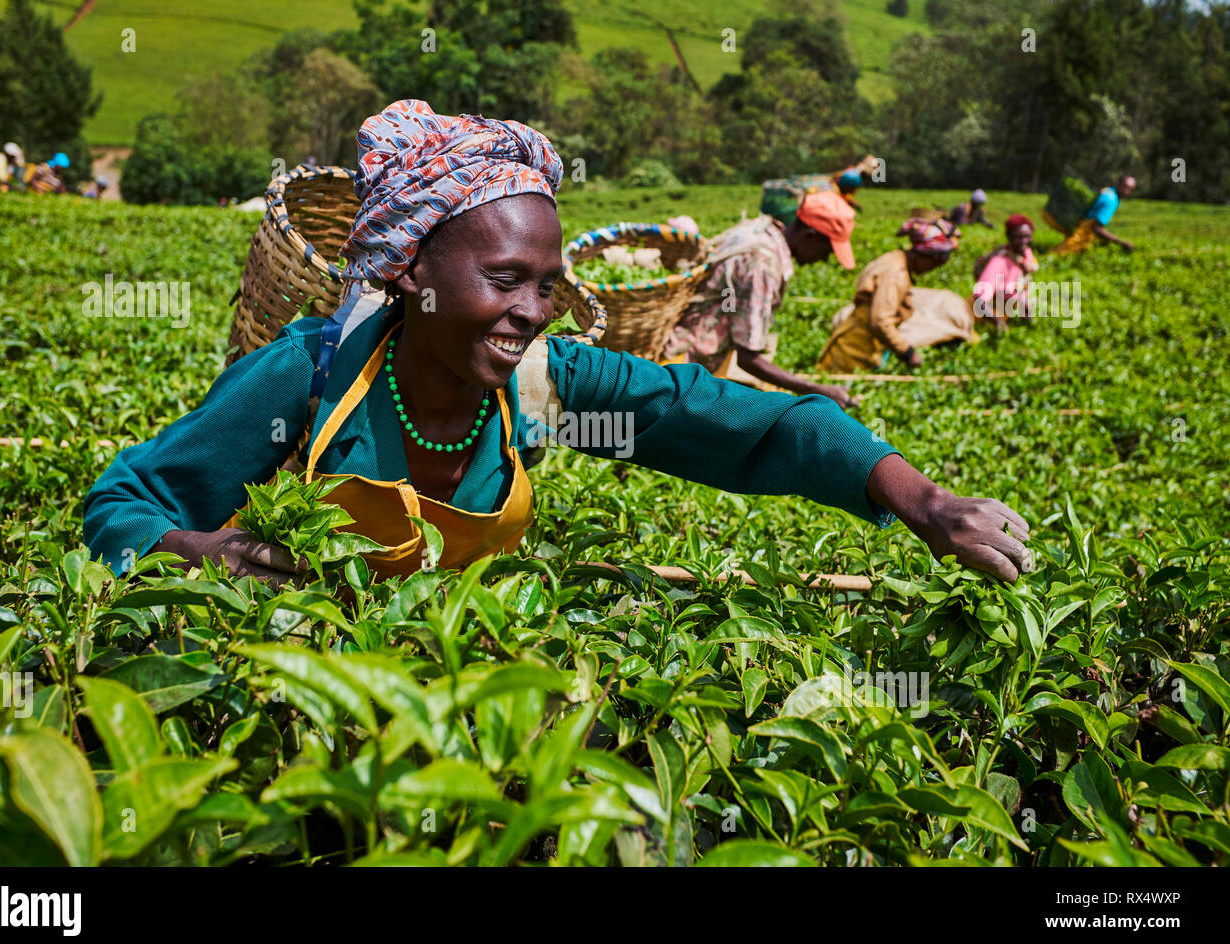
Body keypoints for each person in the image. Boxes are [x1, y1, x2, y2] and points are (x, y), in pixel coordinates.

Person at [82, 100, 1032, 587]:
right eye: (504, 283)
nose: (534, 311)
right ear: (411, 272)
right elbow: (122, 502)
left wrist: (925, 501)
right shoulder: (311, 374)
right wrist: (193, 552)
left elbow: (750, 427)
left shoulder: (545, 384)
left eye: (546, 286)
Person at [662, 189, 861, 408]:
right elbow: (748, 358)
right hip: (685, 369)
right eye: (827, 249)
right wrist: (816, 390)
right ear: (809, 236)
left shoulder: (759, 230)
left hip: (681, 350)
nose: (824, 258)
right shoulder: (763, 266)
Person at [815, 217, 971, 373]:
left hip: (859, 339)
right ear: (928, 256)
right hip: (856, 347)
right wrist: (908, 352)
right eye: (935, 263)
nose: (932, 269)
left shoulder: (895, 259)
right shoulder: (896, 273)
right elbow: (880, 322)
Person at [972, 214, 1039, 331]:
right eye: (1018, 237)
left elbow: (1021, 282)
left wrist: (1024, 304)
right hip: (984, 316)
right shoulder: (999, 262)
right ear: (1009, 237)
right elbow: (979, 301)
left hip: (1006, 311)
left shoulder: (1025, 256)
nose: (1024, 241)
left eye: (1027, 236)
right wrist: (997, 321)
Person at [1052, 175, 1136, 254]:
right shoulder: (1111, 200)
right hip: (1082, 233)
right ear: (1117, 183)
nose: (1126, 191)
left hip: (1078, 227)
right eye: (1124, 186)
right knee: (1058, 254)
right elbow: (1097, 228)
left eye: (1129, 189)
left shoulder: (1107, 191)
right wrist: (1121, 243)